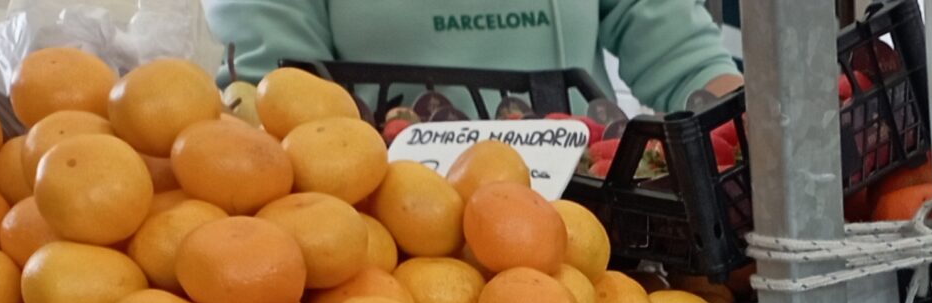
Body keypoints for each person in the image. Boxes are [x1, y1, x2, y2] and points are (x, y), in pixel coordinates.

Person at [204, 0, 741, 110]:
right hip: (383, 270)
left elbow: (683, 53)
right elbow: (269, 98)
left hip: (595, 242)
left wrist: (764, 144)